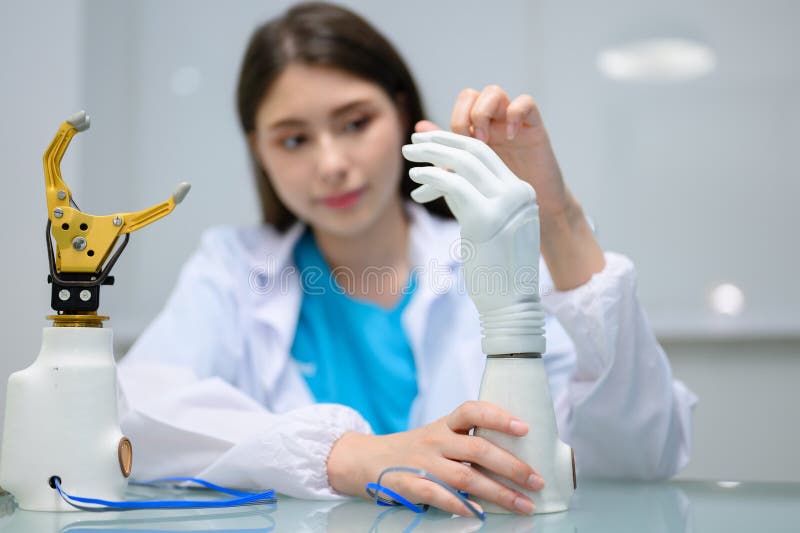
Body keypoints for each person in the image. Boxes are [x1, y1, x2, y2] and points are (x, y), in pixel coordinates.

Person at [117, 1, 697, 517]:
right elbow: (131, 411)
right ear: (258, 150)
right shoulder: (232, 270)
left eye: (355, 123)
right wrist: (348, 456)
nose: (331, 164)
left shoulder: (499, 252)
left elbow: (642, 458)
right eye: (294, 139)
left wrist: (558, 220)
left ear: (400, 111)